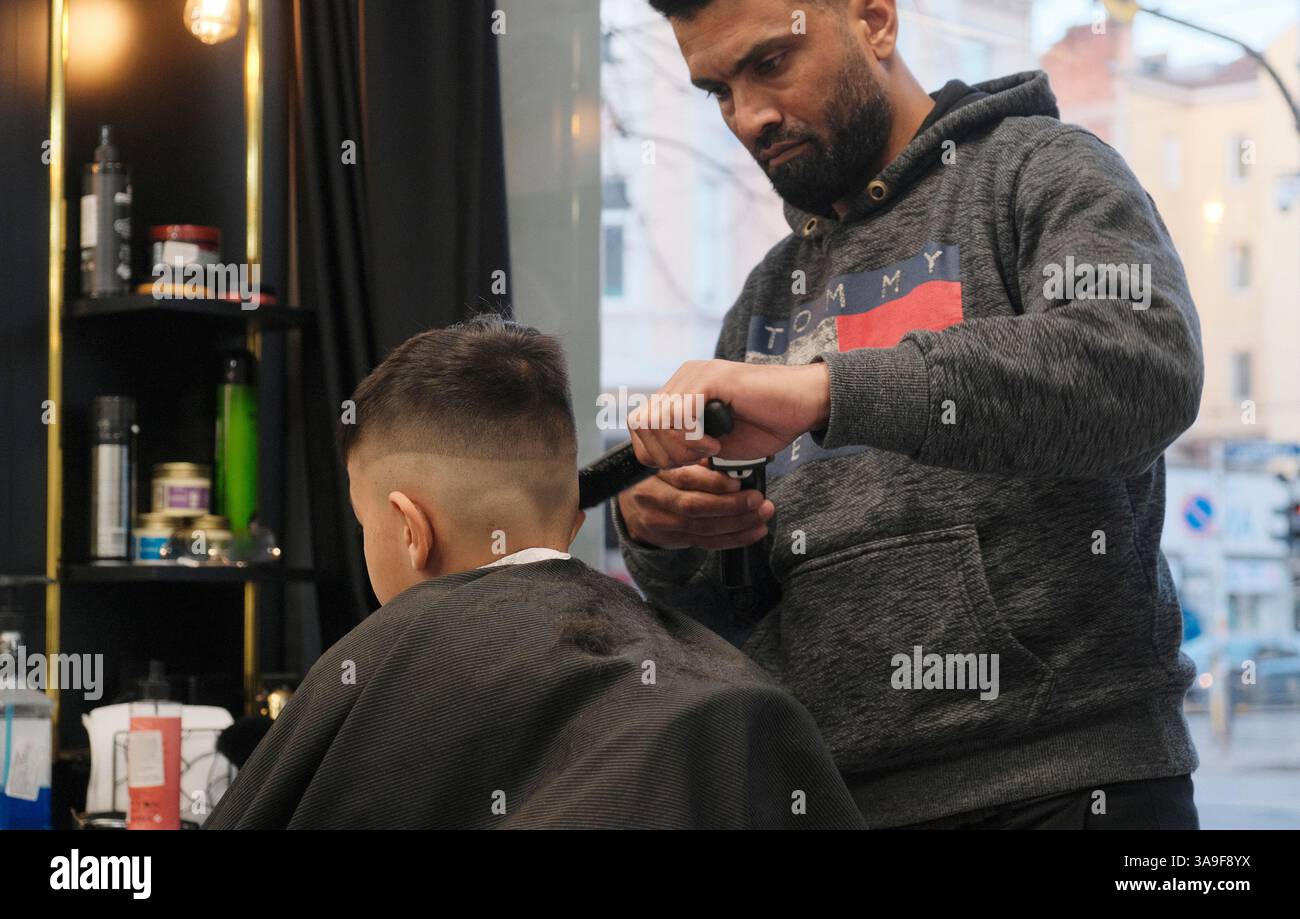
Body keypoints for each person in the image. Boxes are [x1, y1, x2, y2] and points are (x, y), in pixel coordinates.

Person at [614, 0, 1204, 828]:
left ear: (875, 21)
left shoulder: (1044, 171)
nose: (749, 117)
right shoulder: (765, 296)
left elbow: (1141, 371)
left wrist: (826, 389)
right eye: (718, 90)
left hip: (1071, 787)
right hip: (831, 803)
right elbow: (733, 617)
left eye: (771, 64)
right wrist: (666, 537)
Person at [206, 316, 864, 830]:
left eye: (364, 522)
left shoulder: (372, 677)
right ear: (578, 523)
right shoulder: (732, 696)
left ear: (411, 530)